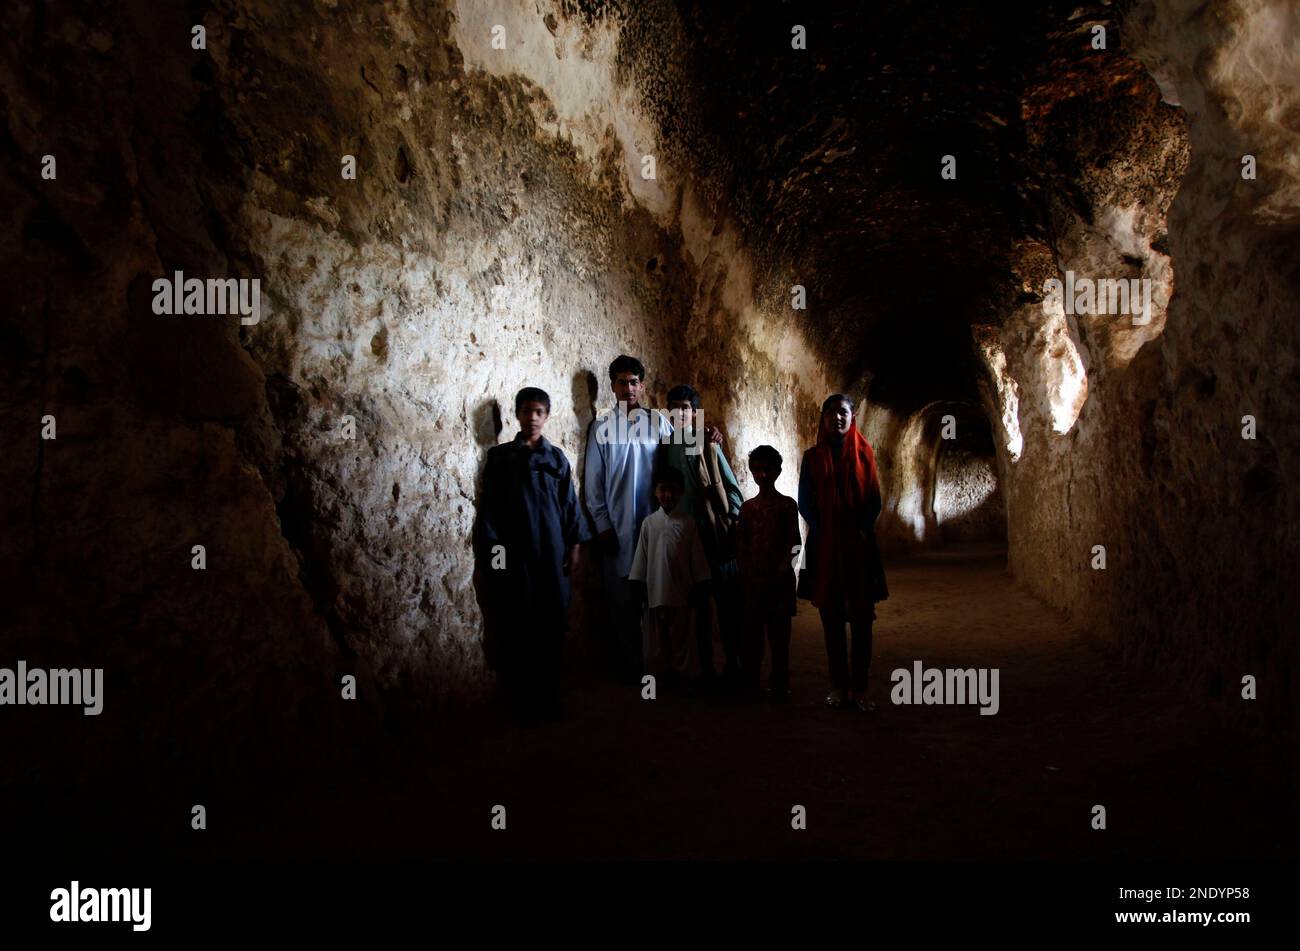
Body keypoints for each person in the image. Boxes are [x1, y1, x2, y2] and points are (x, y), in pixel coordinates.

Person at [474, 386, 591, 722]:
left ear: (547, 416)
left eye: (539, 412)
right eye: (526, 411)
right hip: (516, 555)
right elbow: (491, 511)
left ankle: (549, 696)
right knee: (518, 623)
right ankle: (522, 700)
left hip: (552, 555)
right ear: (517, 415)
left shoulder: (556, 460)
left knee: (552, 624)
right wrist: (496, 558)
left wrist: (576, 546)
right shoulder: (501, 459)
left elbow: (570, 506)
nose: (532, 418)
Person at [584, 355, 674, 682]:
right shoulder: (602, 427)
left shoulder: (659, 423)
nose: (628, 387)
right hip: (618, 530)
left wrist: (711, 435)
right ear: (611, 387)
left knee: (656, 598)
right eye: (621, 381)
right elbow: (594, 482)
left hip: (656, 526)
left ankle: (657, 667)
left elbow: (681, 460)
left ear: (642, 386)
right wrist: (603, 525)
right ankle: (631, 668)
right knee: (621, 602)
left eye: (634, 381)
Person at [797, 394, 888, 712]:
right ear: (823, 418)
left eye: (843, 412)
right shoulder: (812, 458)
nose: (837, 418)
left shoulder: (865, 453)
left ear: (853, 417)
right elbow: (805, 501)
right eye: (831, 412)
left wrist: (860, 530)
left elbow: (874, 498)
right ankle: (838, 686)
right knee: (831, 619)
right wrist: (823, 530)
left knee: (862, 620)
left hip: (859, 547)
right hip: (824, 547)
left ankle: (860, 688)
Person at [660, 384, 744, 689]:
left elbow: (733, 491)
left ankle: (734, 666)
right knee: (696, 605)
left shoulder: (708, 443)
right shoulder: (666, 445)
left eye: (686, 407)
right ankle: (705, 668)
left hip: (713, 536)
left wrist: (731, 522)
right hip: (683, 538)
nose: (680, 412)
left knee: (726, 603)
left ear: (695, 412)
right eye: (675, 406)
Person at [628, 466, 711, 691]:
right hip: (654, 593)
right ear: (655, 492)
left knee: (681, 639)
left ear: (681, 492)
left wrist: (698, 587)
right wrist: (640, 588)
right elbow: (641, 561)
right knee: (654, 643)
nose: (668, 495)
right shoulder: (649, 523)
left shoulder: (688, 523)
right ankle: (655, 683)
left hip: (681, 593)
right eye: (663, 490)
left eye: (673, 490)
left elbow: (697, 561)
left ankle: (683, 679)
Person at [735, 445, 801, 702]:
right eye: (757, 470)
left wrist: (783, 569)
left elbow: (795, 543)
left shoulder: (787, 506)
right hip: (753, 583)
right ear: (752, 472)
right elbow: (741, 545)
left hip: (780, 584)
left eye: (767, 469)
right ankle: (751, 683)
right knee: (752, 639)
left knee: (780, 639)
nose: (762, 475)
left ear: (778, 471)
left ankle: (780, 685)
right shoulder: (748, 508)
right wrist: (749, 572)